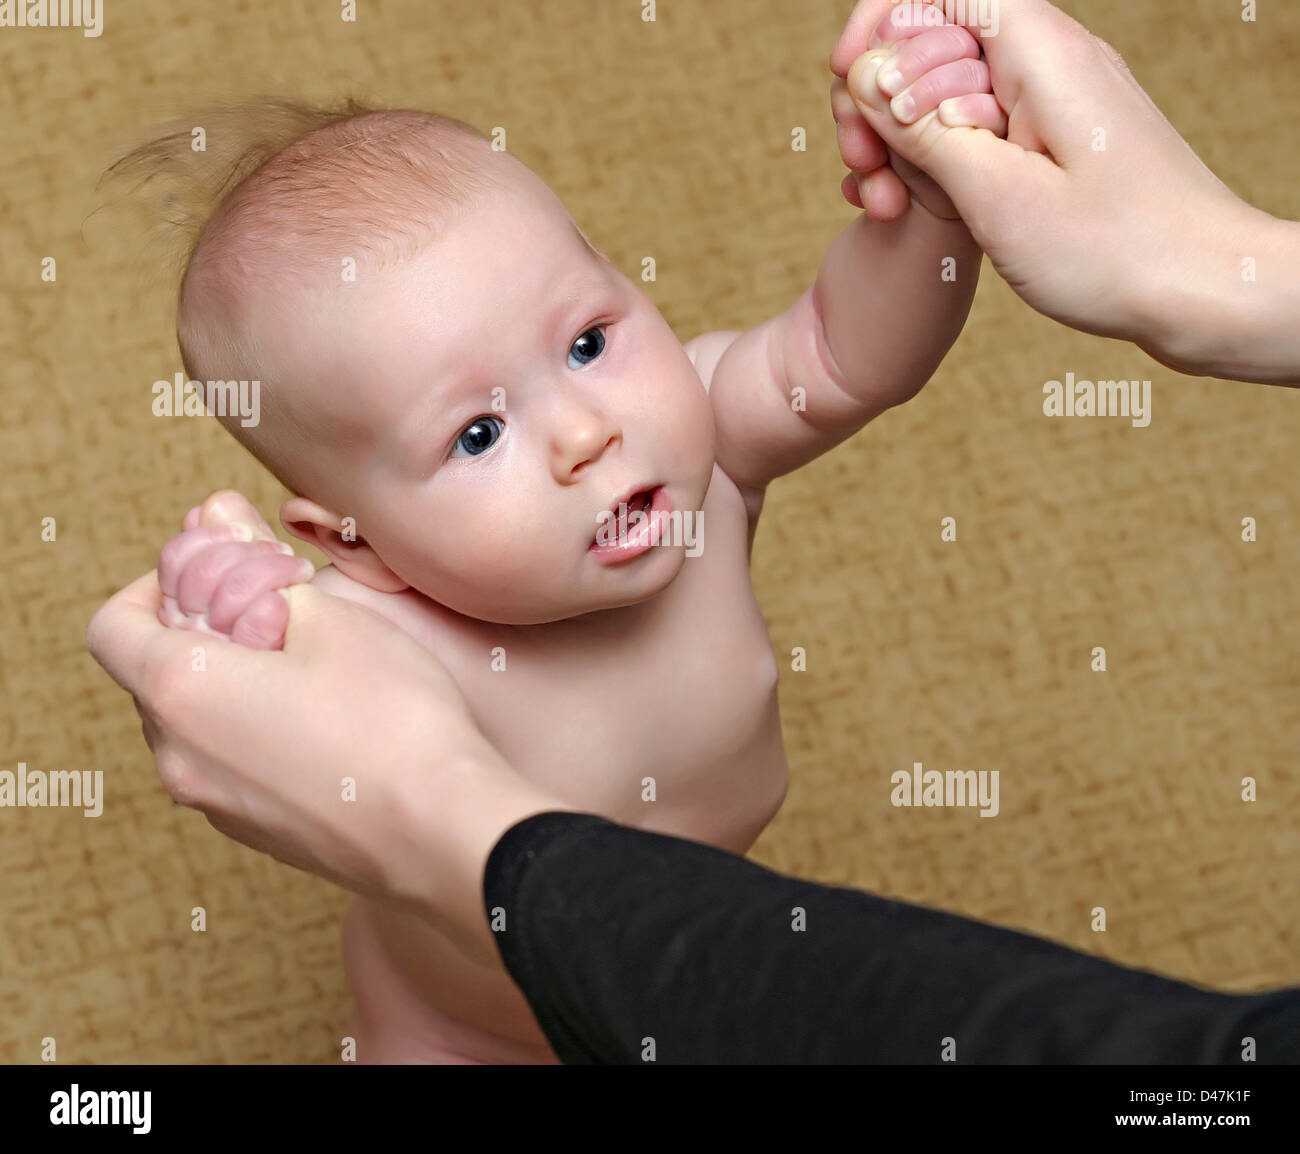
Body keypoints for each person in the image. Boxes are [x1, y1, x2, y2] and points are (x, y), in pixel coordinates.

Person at [87, 0, 1300, 1062]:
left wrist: (935, 207)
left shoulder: (705, 444)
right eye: (474, 436)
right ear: (350, 540)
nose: (584, 434)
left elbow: (843, 352)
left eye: (585, 342)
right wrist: (234, 600)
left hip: (683, 929)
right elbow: (266, 707)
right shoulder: (379, 634)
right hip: (464, 1021)